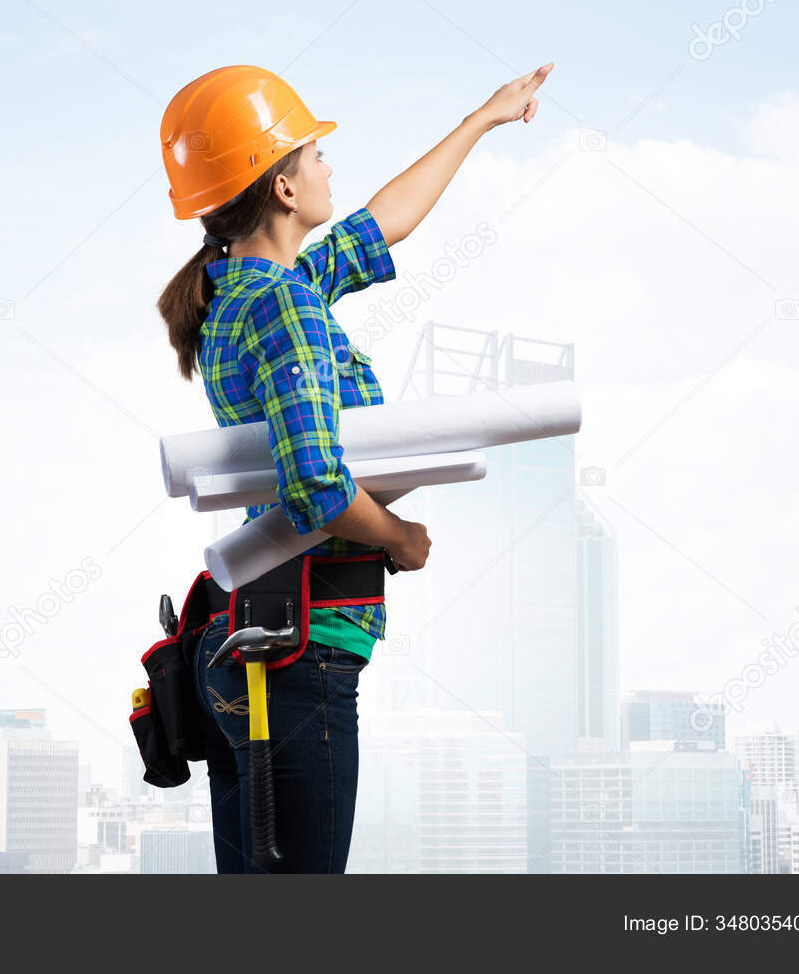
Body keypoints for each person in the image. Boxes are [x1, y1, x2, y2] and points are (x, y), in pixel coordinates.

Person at [156, 60, 552, 872]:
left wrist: (482, 119)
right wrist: (403, 538)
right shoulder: (286, 303)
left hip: (244, 643)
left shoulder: (245, 290)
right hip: (300, 652)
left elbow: (383, 224)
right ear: (285, 191)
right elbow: (317, 485)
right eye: (313, 154)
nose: (329, 165)